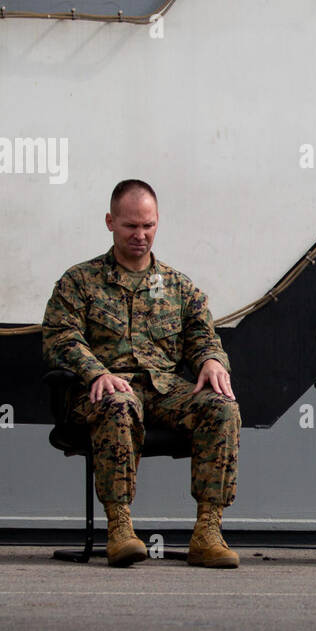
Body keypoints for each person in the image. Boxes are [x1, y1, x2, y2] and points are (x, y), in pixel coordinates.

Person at [42, 180, 242, 568]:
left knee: (221, 407)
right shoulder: (79, 282)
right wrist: (96, 371)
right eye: (131, 226)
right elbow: (60, 338)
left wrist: (212, 360)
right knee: (119, 402)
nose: (140, 235)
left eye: (148, 225)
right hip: (101, 392)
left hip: (163, 389)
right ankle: (119, 528)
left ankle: (208, 531)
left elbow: (204, 336)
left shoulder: (179, 287)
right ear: (110, 222)